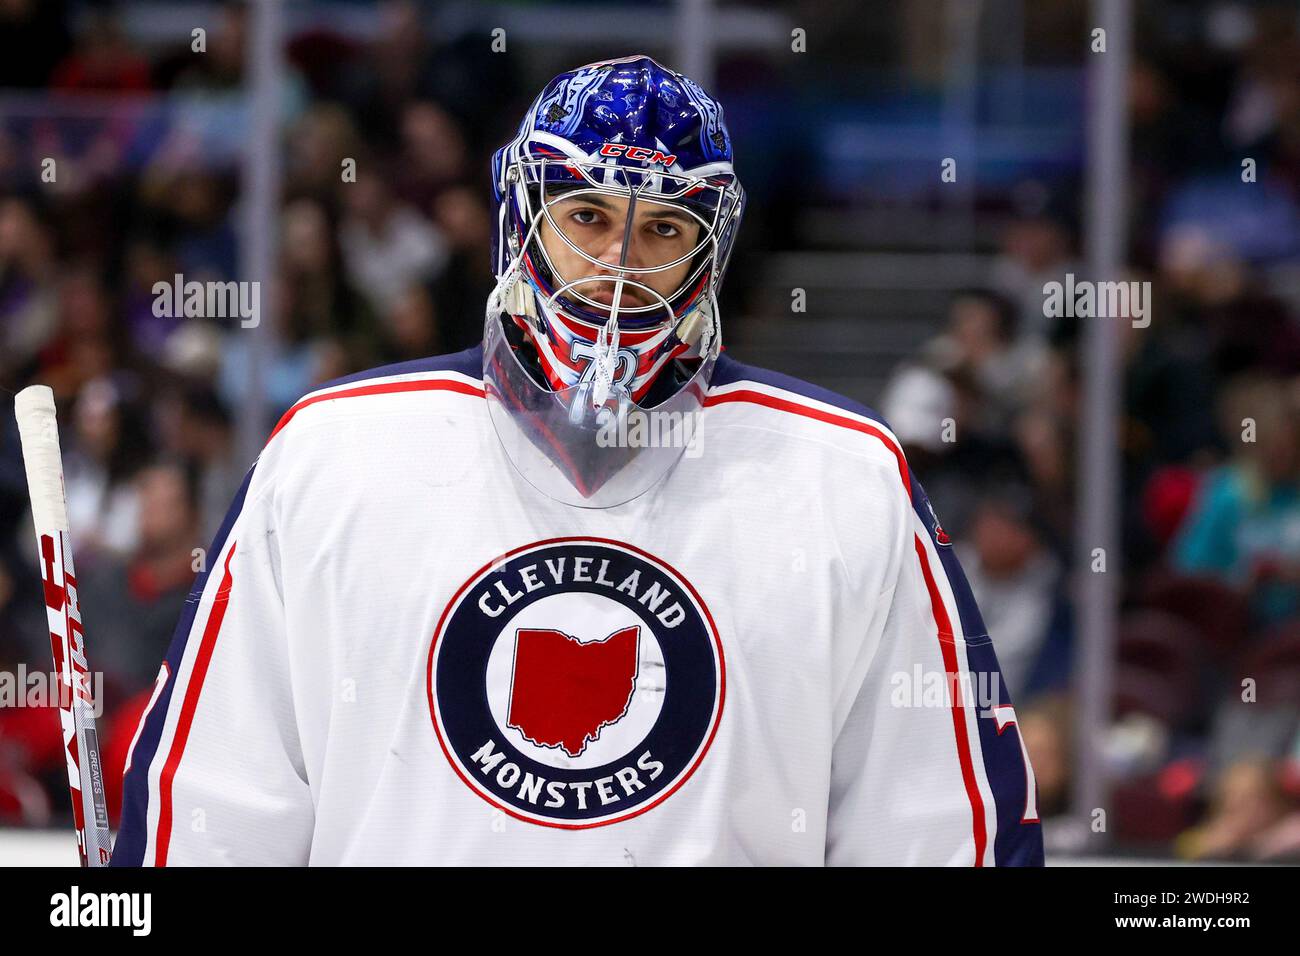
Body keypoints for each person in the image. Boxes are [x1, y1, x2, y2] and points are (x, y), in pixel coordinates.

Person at [113, 56, 1042, 866]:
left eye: (664, 230)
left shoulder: (842, 476)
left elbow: (939, 832)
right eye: (588, 216)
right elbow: (211, 815)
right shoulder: (335, 453)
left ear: (709, 253)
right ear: (522, 219)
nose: (619, 265)